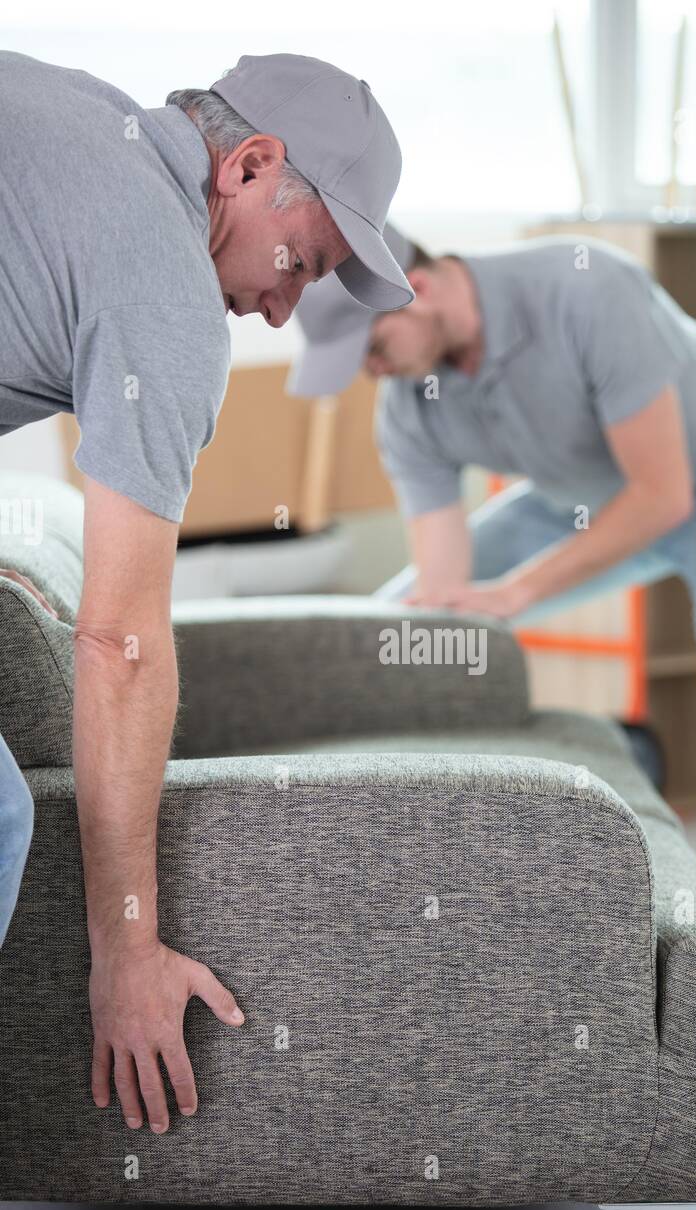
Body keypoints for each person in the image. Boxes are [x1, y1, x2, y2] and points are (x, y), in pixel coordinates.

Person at [0, 49, 412, 1131]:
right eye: (305, 261)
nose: (282, 312)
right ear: (250, 165)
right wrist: (126, 950)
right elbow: (119, 647)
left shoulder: (78, 117)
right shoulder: (167, 283)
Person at [290, 228, 696, 1001]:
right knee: (397, 626)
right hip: (583, 503)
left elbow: (663, 494)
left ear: (422, 288)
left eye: (372, 346)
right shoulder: (411, 407)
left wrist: (521, 591)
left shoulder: (586, 289)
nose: (372, 373)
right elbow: (443, 594)